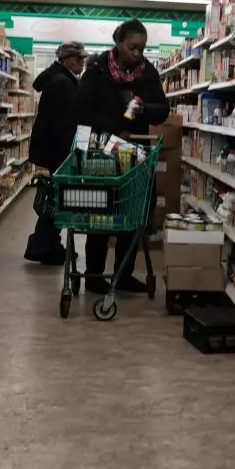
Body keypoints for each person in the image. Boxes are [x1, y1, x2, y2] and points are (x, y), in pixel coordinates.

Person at [73, 19, 169, 294]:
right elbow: (79, 109)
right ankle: (93, 276)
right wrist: (114, 128)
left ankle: (123, 275)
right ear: (118, 43)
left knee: (130, 211)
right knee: (100, 213)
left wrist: (141, 110)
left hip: (134, 152)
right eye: (132, 47)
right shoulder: (97, 70)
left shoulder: (147, 73)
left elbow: (162, 109)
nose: (138, 54)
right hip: (99, 149)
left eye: (142, 48)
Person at [24, 41, 89, 265]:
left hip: (52, 149)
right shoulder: (62, 82)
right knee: (56, 198)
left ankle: (47, 245)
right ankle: (43, 246)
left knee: (55, 197)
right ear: (64, 60)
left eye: (83, 59)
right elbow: (65, 124)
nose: (82, 62)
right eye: (77, 58)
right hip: (58, 150)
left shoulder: (60, 78)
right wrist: (72, 155)